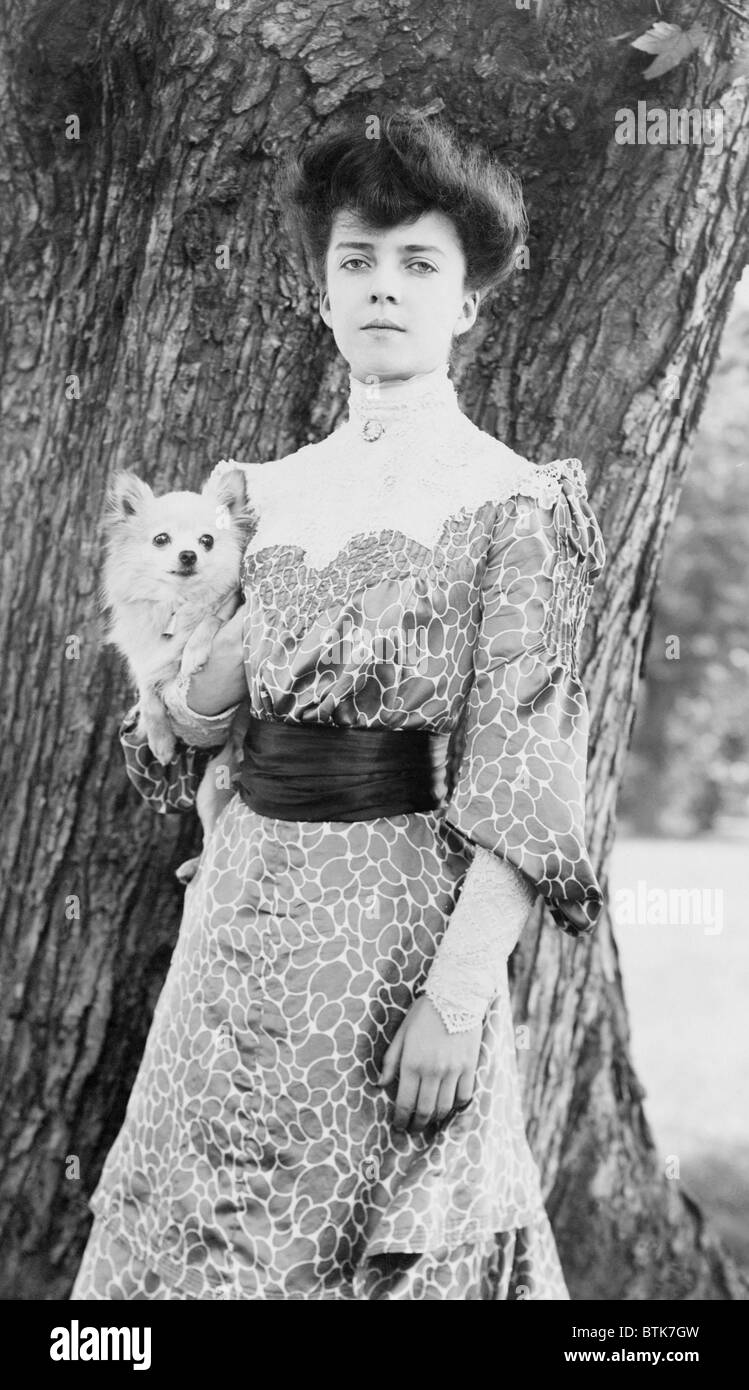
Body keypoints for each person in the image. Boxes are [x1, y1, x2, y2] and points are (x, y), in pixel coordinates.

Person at [70, 111, 606, 1301]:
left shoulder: (518, 504)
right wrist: (230, 652)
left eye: (418, 264)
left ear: (467, 302)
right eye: (355, 261)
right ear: (321, 291)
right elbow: (189, 740)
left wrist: (456, 1002)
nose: (382, 288)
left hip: (395, 953)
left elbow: (526, 777)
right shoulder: (255, 499)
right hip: (234, 935)